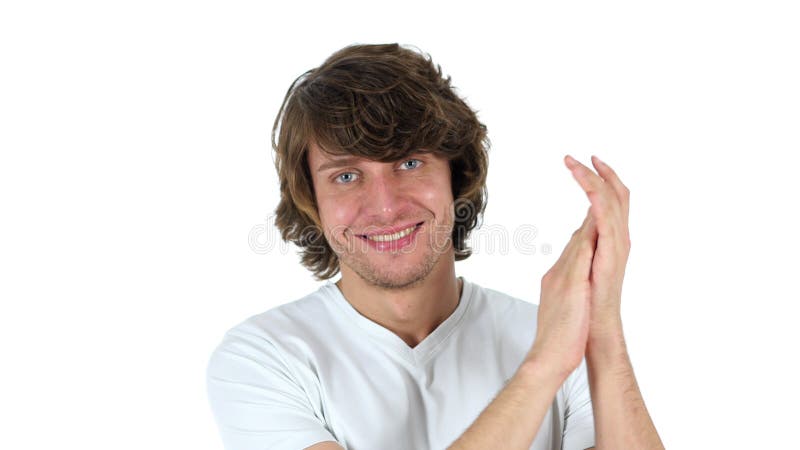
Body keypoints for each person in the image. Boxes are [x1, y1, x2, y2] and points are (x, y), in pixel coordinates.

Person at [206, 43, 664, 450]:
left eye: (409, 162)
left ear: (455, 175)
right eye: (346, 176)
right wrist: (542, 368)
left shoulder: (560, 338)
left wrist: (599, 330)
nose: (385, 208)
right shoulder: (264, 357)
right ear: (313, 200)